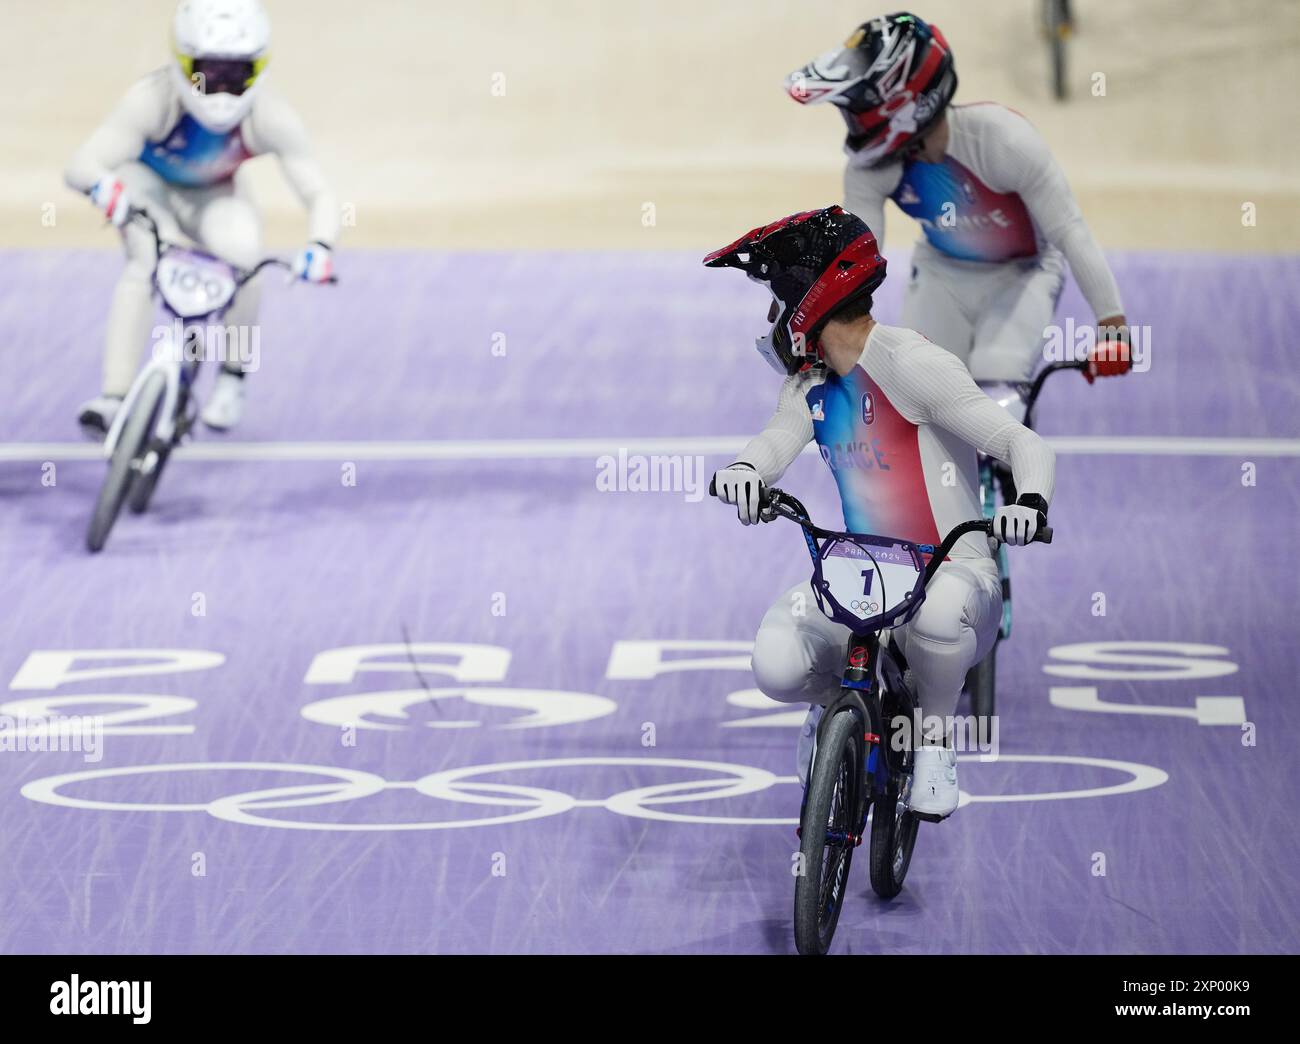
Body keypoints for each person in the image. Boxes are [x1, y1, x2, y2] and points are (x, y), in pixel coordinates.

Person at [705, 206, 1055, 820]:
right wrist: (746, 472)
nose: (771, 319)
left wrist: (1027, 503)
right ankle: (833, 705)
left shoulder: (914, 366)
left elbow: (1020, 443)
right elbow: (776, 441)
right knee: (776, 662)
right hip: (863, 577)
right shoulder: (809, 386)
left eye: (776, 299)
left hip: (955, 576)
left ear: (808, 301)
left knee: (938, 616)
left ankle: (935, 742)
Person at [784, 12, 1130, 395]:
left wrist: (1112, 326)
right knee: (915, 390)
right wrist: (822, 329)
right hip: (941, 274)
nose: (853, 126)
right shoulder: (870, 169)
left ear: (904, 103)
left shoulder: (1003, 141)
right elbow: (855, 262)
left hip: (1023, 274)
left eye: (858, 112)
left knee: (996, 377)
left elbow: (1068, 230)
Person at [66, 0, 339, 437]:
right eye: (207, 73)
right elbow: (82, 163)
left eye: (237, 74)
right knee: (144, 262)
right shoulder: (151, 100)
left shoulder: (270, 115)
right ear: (181, 61)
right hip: (146, 188)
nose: (222, 89)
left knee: (247, 260)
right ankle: (114, 397)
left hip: (217, 196)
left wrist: (321, 245)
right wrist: (102, 186)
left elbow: (318, 192)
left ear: (259, 68)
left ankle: (233, 376)